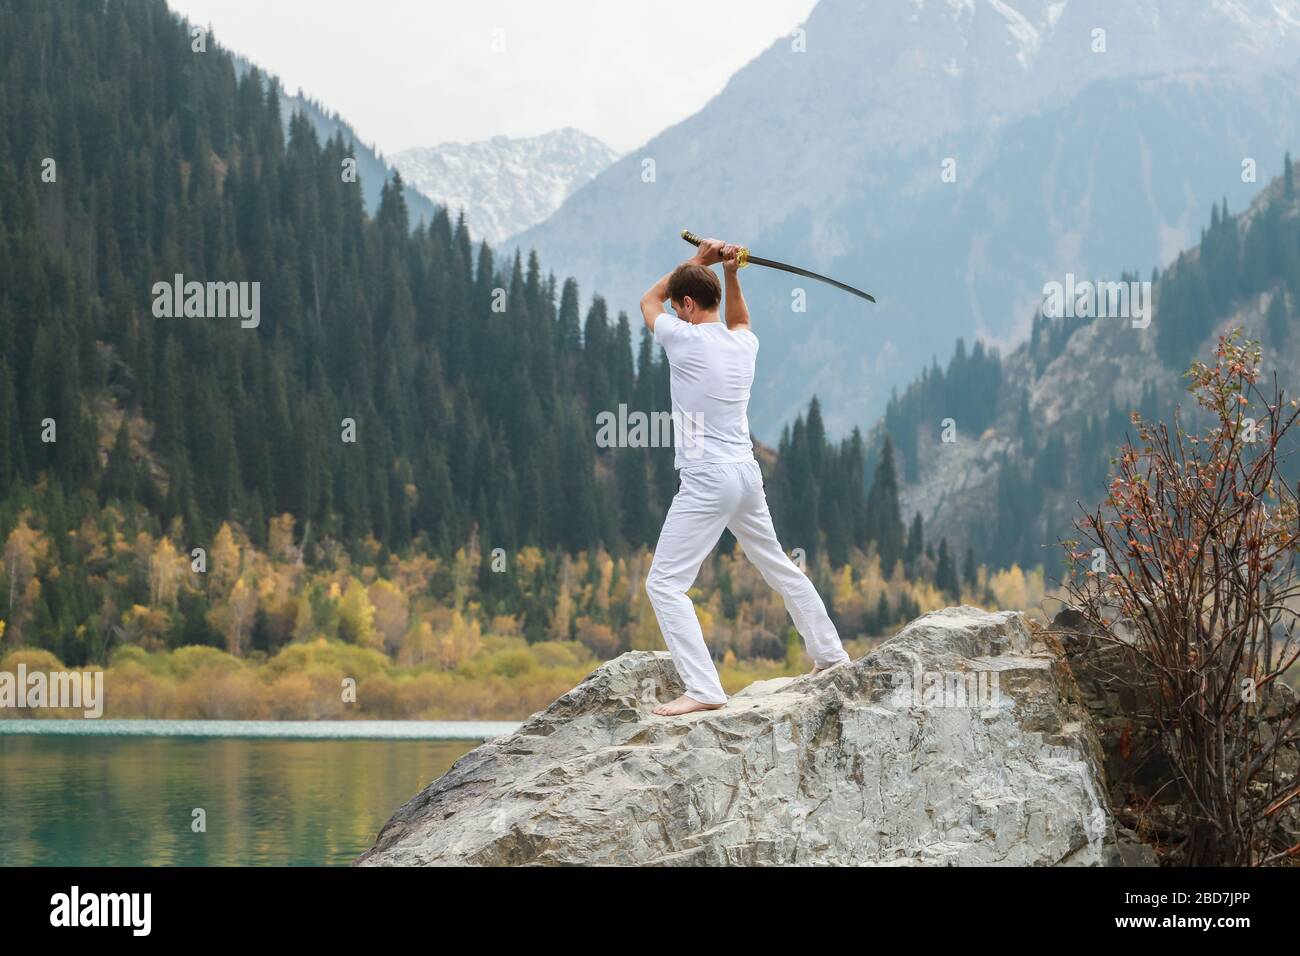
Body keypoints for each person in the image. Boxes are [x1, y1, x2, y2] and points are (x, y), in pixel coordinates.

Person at [638, 237, 852, 717]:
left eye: (680, 305)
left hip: (707, 478)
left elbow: (648, 301)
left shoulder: (681, 337)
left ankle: (705, 688)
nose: (674, 311)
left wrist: (700, 260)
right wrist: (732, 272)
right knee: (777, 564)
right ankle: (830, 654)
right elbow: (741, 320)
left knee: (665, 584)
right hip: (746, 475)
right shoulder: (744, 344)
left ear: (687, 306)